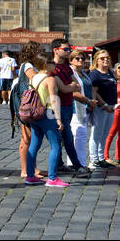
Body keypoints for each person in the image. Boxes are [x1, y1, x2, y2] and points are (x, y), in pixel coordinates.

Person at [23, 50, 66, 188]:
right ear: (46, 64)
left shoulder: (33, 78)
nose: (55, 65)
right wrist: (58, 119)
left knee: (34, 145)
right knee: (55, 145)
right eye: (52, 62)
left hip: (35, 114)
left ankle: (30, 176)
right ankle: (52, 178)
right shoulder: (50, 79)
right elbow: (53, 99)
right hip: (47, 114)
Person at [50, 39, 90, 176]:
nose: (68, 52)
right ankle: (76, 166)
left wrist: (69, 87)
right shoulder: (52, 67)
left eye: (69, 49)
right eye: (66, 49)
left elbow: (76, 85)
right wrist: (69, 87)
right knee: (65, 138)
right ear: (56, 50)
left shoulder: (67, 66)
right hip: (57, 107)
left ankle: (60, 165)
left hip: (68, 106)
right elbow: (64, 88)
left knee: (63, 138)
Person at [12, 42, 43, 180]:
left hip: (32, 104)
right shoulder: (28, 65)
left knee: (32, 138)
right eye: (38, 50)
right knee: (27, 138)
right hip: (27, 105)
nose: (40, 52)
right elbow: (35, 79)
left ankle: (33, 167)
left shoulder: (32, 65)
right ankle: (25, 169)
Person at [88, 50, 117, 170]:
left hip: (111, 106)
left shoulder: (110, 73)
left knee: (105, 133)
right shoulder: (95, 74)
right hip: (101, 107)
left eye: (107, 57)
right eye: (102, 58)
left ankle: (101, 158)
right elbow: (94, 91)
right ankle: (94, 160)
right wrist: (104, 104)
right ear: (96, 61)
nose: (106, 60)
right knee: (97, 133)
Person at [68, 50, 95, 169]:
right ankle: (75, 163)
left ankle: (80, 162)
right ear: (71, 60)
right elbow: (73, 92)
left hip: (86, 107)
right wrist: (88, 101)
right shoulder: (71, 72)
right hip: (75, 108)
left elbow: (91, 88)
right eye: (77, 58)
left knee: (82, 136)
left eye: (82, 59)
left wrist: (92, 101)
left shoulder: (83, 73)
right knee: (78, 135)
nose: (81, 61)